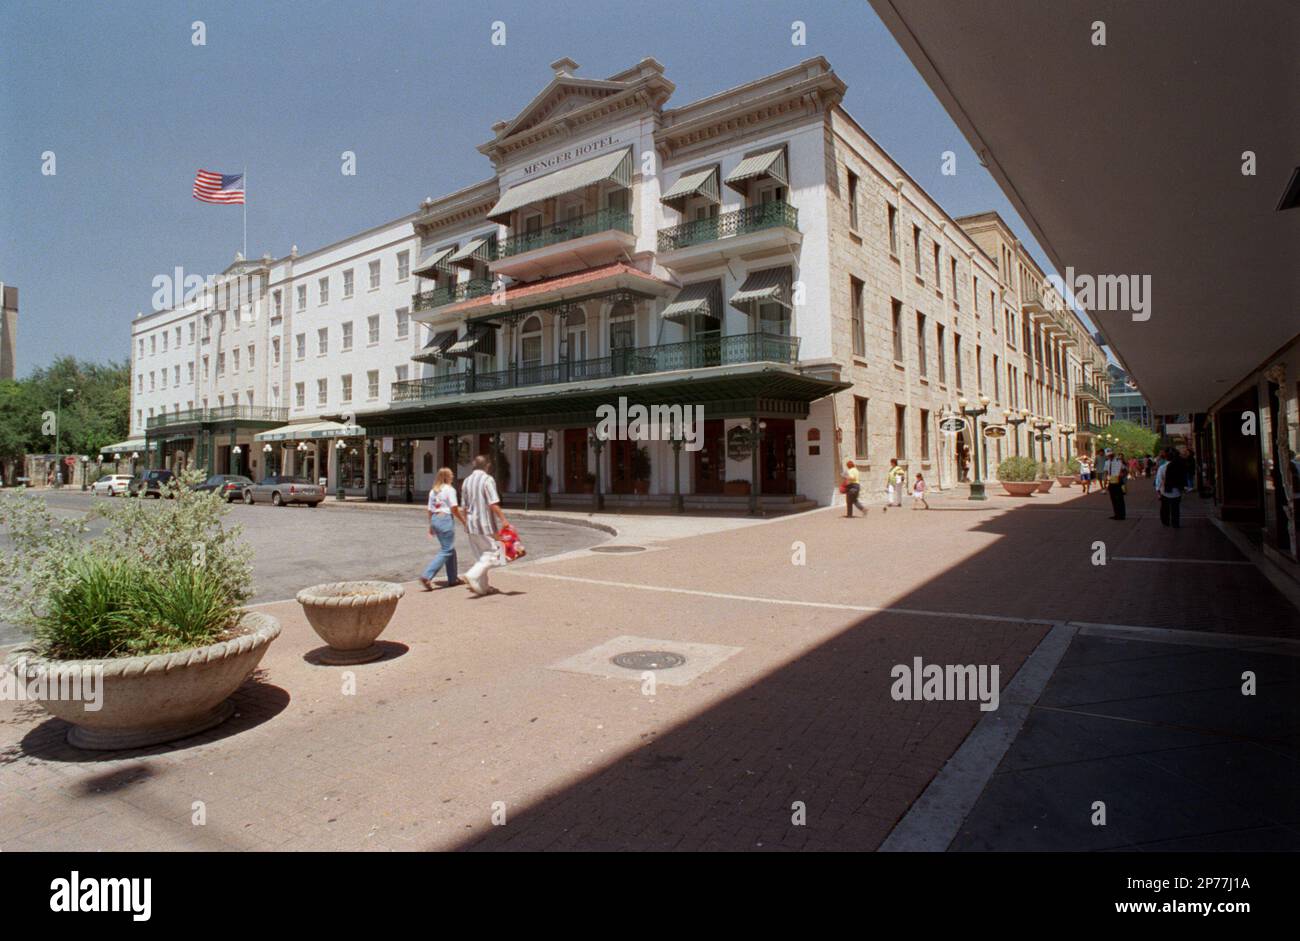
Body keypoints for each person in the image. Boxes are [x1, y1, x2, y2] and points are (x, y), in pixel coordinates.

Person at [461, 454, 511, 596]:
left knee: (480, 556)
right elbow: (493, 503)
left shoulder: (466, 481)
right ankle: (472, 574)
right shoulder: (487, 480)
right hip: (485, 524)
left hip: (471, 524)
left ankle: (482, 587)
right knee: (495, 552)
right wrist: (503, 520)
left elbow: (463, 506)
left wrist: (466, 522)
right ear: (487, 465)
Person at [420, 467, 464, 590]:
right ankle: (427, 575)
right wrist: (464, 521)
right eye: (451, 475)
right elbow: (454, 508)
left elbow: (429, 510)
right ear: (446, 477)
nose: (453, 477)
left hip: (435, 518)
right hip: (445, 519)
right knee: (446, 550)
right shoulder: (450, 490)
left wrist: (431, 525)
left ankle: (453, 578)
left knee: (449, 548)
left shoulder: (433, 491)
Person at [1154, 448, 1184, 529]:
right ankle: (1175, 523)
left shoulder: (1163, 467)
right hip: (1177, 490)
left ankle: (1165, 521)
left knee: (1165, 508)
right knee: (1175, 508)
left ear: (1166, 457)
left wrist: (1158, 490)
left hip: (1165, 490)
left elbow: (1159, 480)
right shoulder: (1179, 466)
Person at [1105, 450, 1128, 520]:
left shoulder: (1118, 461)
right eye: (1108, 456)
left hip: (1118, 482)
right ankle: (1116, 514)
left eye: (1111, 455)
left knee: (1120, 499)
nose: (1109, 457)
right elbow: (1106, 471)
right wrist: (1106, 479)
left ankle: (1122, 515)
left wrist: (1122, 475)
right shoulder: (1107, 462)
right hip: (1111, 482)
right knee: (1113, 499)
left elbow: (1125, 470)